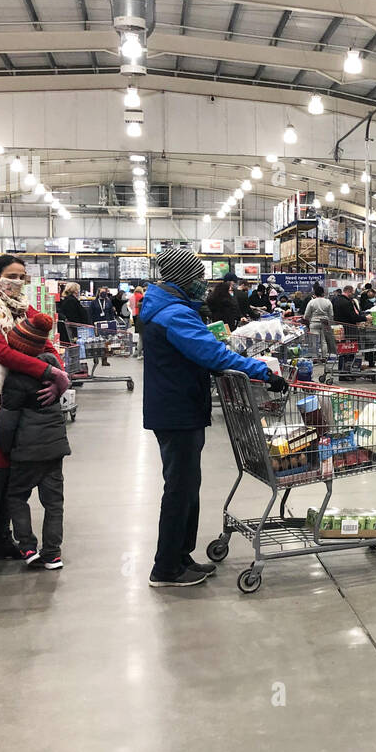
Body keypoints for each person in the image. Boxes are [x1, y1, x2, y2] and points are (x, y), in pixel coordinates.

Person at [141, 248, 288, 588]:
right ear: (181, 278)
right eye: (197, 278)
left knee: (186, 486)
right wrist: (264, 372)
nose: (201, 285)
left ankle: (180, 556)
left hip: (176, 407)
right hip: (177, 410)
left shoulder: (166, 308)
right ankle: (166, 569)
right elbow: (211, 355)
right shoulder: (174, 314)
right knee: (180, 489)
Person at [0, 254, 70, 580]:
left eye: (22, 276)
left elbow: (46, 341)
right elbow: (1, 352)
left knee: (15, 469)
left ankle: (4, 538)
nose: (17, 281)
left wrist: (58, 372)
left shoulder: (28, 310)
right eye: (11, 275)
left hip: (22, 400)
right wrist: (48, 370)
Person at [0, 310, 71, 569]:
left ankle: (27, 546)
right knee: (54, 503)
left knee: (17, 496)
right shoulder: (54, 368)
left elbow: (8, 419)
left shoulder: (17, 378)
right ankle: (53, 554)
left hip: (25, 451)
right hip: (54, 449)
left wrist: (5, 448)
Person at [304, 281, 338, 356]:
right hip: (325, 323)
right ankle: (324, 357)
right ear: (323, 293)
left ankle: (315, 357)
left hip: (314, 323)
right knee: (324, 341)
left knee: (314, 341)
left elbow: (306, 315)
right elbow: (331, 315)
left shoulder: (311, 302)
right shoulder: (328, 302)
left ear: (315, 294)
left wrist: (308, 320)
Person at [57, 281, 89, 347]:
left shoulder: (69, 299)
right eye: (78, 289)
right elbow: (73, 316)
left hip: (75, 327)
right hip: (75, 328)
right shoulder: (71, 301)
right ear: (75, 290)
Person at [90, 286, 116, 365]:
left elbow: (111, 312)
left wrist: (112, 322)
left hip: (107, 323)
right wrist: (91, 324)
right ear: (98, 293)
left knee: (107, 342)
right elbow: (91, 314)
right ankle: (96, 357)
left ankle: (104, 359)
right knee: (97, 342)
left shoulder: (108, 302)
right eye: (102, 292)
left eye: (105, 292)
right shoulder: (94, 302)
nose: (103, 293)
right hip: (97, 323)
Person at [129, 282, 146, 360]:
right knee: (142, 337)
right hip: (141, 314)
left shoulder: (132, 296)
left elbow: (130, 305)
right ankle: (141, 352)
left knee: (139, 335)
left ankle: (137, 352)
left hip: (134, 314)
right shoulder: (141, 297)